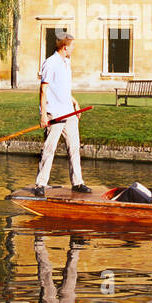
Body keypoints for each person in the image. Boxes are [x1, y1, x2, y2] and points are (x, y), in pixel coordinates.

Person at [32, 33, 92, 198]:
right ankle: (41, 184)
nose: (74, 49)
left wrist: (74, 101)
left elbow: (63, 87)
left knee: (74, 148)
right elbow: (43, 90)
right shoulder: (50, 64)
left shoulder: (67, 62)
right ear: (65, 47)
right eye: (72, 46)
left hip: (69, 113)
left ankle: (78, 182)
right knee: (49, 149)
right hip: (55, 114)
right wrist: (43, 115)